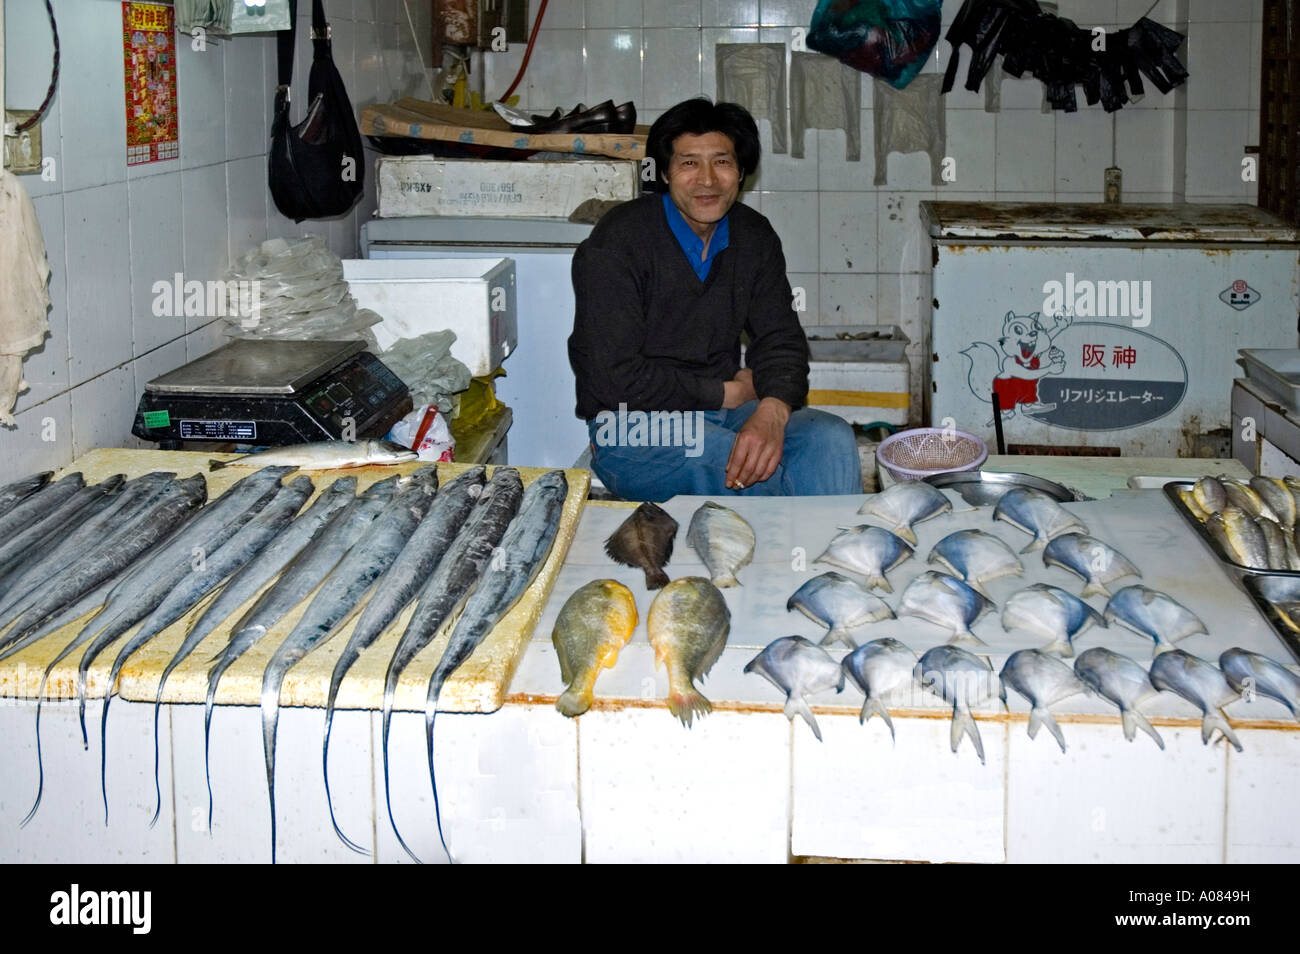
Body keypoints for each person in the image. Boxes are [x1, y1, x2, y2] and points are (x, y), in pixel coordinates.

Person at [568, 97, 861, 501]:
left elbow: (781, 340)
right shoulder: (620, 241)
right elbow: (612, 379)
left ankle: (837, 558)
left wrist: (771, 411)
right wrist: (728, 393)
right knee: (744, 460)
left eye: (722, 162)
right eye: (689, 163)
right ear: (665, 173)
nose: (707, 180)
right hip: (629, 427)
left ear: (741, 171)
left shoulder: (753, 236)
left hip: (719, 415)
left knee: (829, 440)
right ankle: (789, 556)